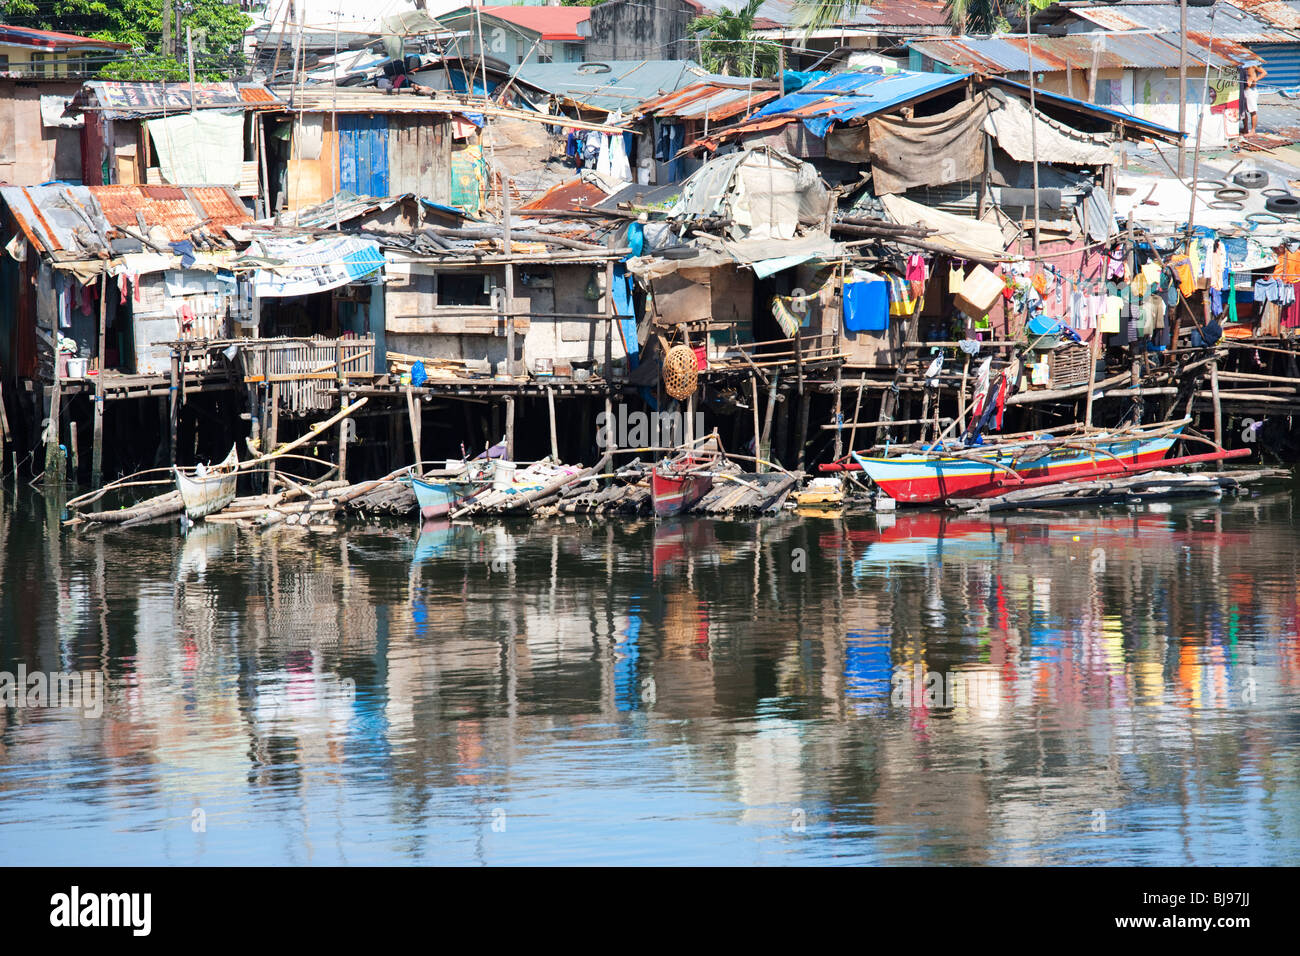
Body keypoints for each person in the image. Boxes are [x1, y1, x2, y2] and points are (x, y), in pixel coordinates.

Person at [1244, 64, 1267, 134]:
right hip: (1243, 89)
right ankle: (1245, 128)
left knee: (1252, 111)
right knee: (1243, 111)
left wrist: (1255, 79)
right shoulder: (1240, 64)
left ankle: (1253, 130)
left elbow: (1264, 73)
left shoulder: (1253, 64)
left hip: (1251, 90)